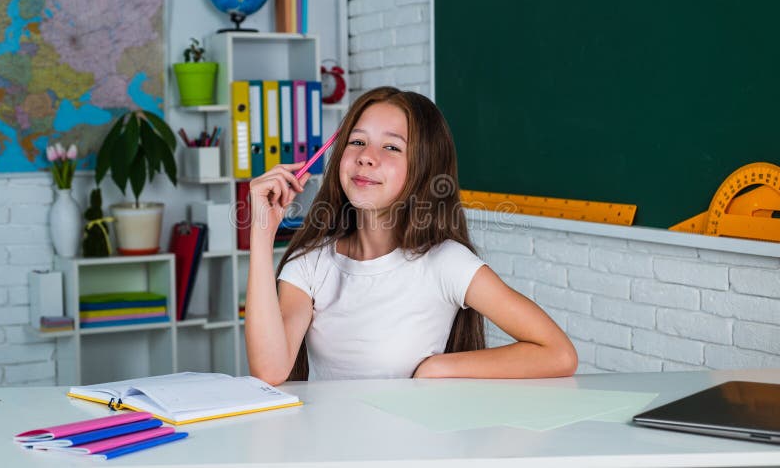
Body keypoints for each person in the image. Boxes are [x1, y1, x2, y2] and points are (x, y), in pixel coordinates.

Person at [245, 86, 577, 384]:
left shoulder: (445, 262)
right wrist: (261, 235)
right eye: (357, 141)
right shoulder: (311, 265)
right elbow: (270, 370)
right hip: (332, 448)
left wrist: (438, 368)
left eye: (391, 147)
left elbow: (558, 353)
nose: (366, 157)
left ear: (424, 168)